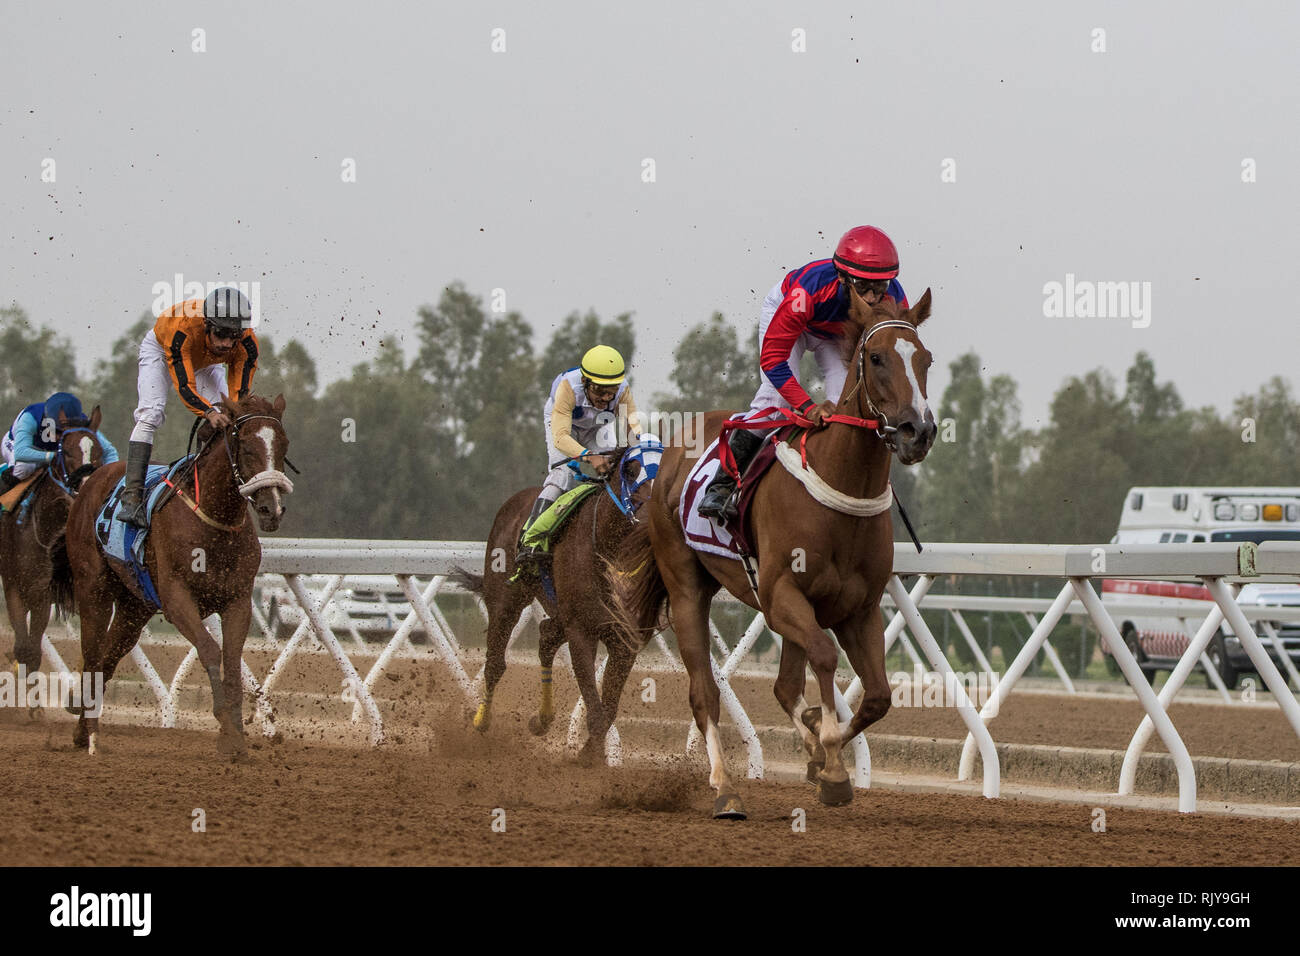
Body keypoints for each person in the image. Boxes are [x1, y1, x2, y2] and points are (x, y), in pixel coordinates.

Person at [696, 225, 908, 521]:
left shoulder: (894, 300)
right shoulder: (806, 292)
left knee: (844, 408)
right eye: (863, 286)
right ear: (843, 277)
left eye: (881, 287)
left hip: (835, 334)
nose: (873, 298)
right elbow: (772, 361)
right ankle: (721, 485)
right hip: (792, 322)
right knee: (773, 405)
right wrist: (807, 406)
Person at [118, 286, 258, 527]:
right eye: (221, 333)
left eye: (233, 336)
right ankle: (131, 497)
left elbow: (239, 399)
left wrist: (224, 412)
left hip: (206, 361)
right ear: (206, 324)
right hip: (162, 351)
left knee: (229, 417)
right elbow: (185, 386)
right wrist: (208, 412)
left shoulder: (247, 345)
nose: (226, 344)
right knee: (151, 414)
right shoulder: (181, 330)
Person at [515, 345, 642, 564]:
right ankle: (530, 539)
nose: (606, 398)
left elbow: (633, 430)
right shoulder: (567, 386)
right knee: (562, 475)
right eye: (600, 391)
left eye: (611, 390)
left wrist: (642, 450)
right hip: (565, 427)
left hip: (597, 427)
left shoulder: (622, 391)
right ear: (585, 382)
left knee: (616, 472)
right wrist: (589, 456)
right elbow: (561, 438)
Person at [0, 391, 118, 492]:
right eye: (61, 426)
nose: (64, 429)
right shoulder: (30, 417)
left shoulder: (81, 422)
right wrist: (53, 456)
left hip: (58, 450)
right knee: (25, 467)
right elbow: (21, 453)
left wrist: (110, 478)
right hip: (17, 445)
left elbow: (109, 451)